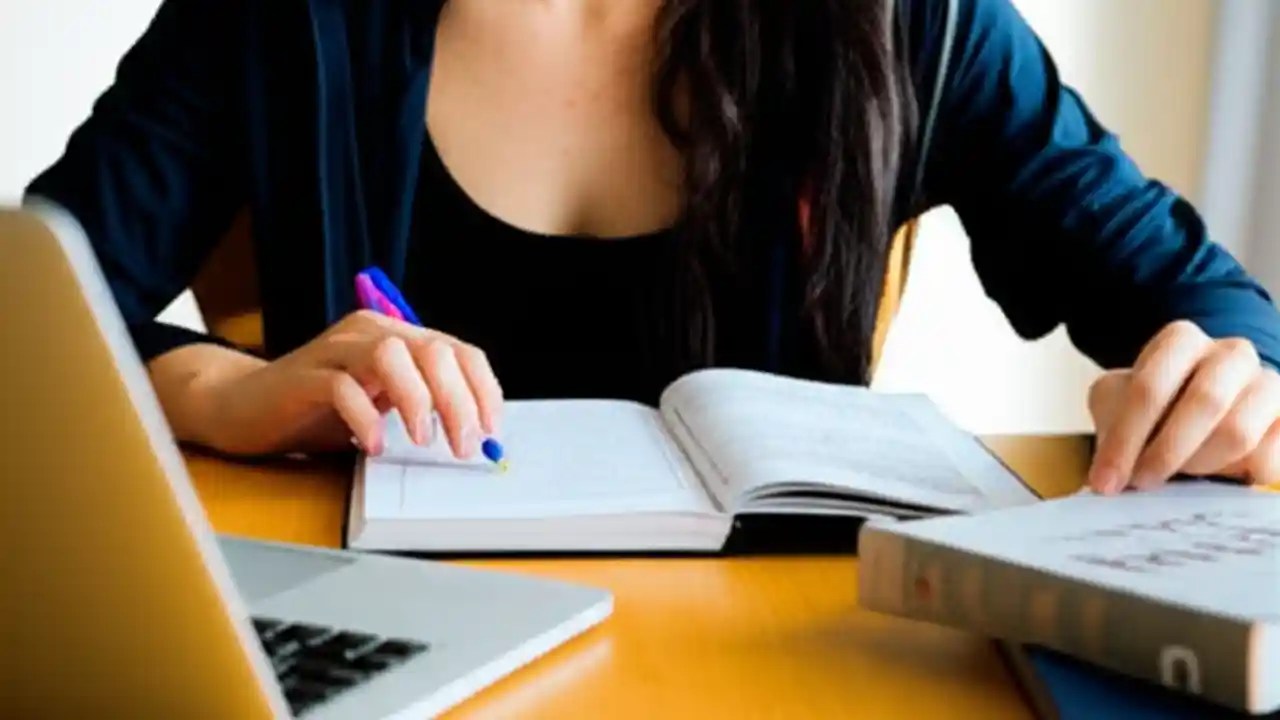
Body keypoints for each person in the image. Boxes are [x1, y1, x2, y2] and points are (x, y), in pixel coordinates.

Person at [25, 0, 1280, 494]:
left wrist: (1235, 382)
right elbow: (36, 321)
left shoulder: (912, 22)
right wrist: (230, 386)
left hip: (777, 669)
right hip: (396, 654)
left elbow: (1210, 306)